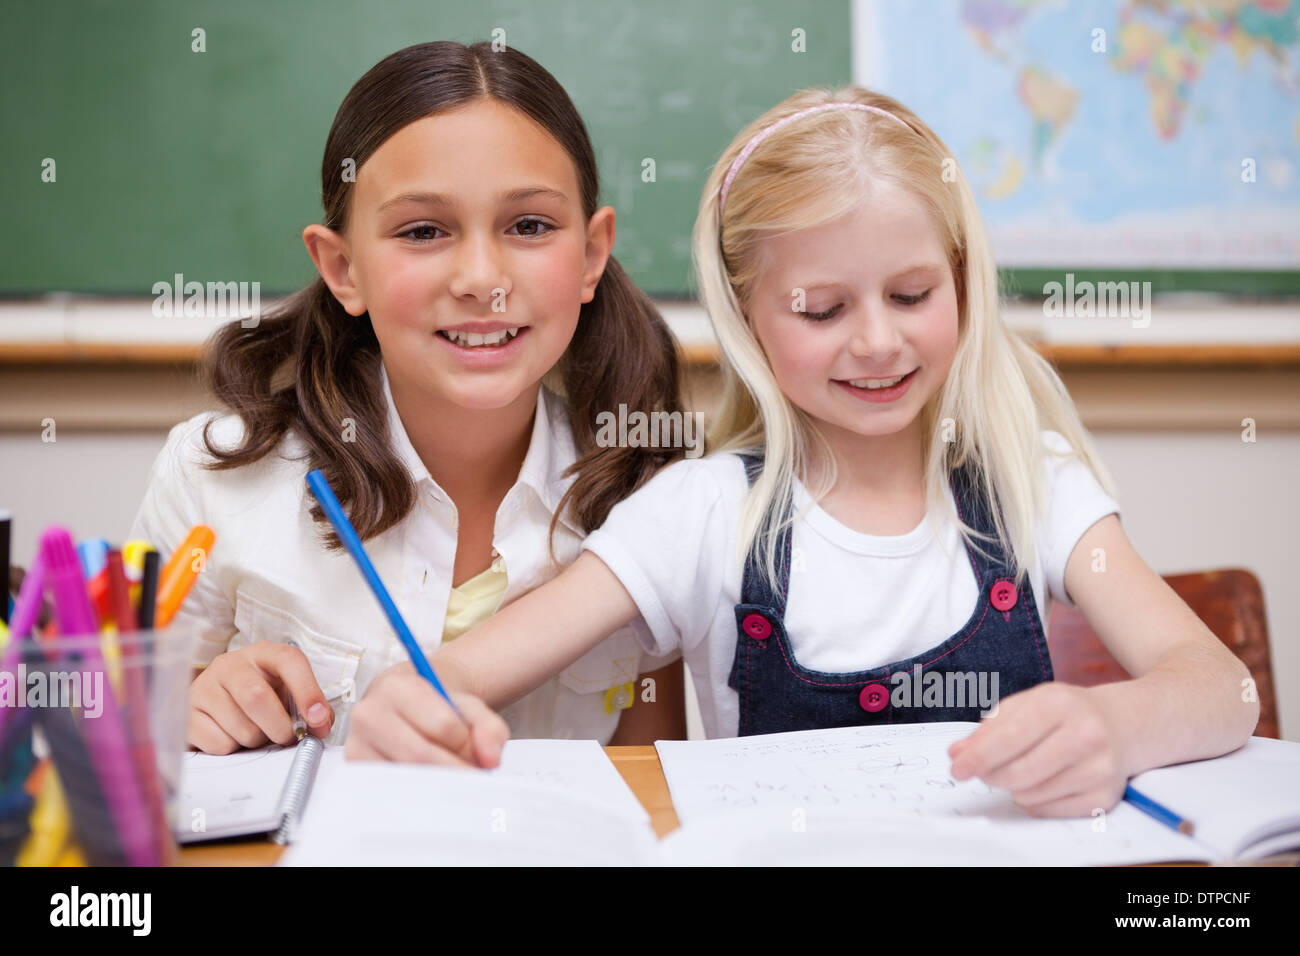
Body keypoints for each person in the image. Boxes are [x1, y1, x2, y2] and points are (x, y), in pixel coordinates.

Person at [350, 86, 1258, 818]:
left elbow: (1221, 688)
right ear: (750, 324)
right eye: (822, 311)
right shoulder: (700, 512)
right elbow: (456, 678)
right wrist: (413, 703)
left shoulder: (1035, 485)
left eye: (912, 295)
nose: (876, 343)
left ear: (963, 283)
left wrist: (1113, 725)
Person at [130, 41, 688, 756]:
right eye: (423, 231)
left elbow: (646, 800)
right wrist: (189, 703)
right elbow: (117, 750)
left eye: (529, 226)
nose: (482, 278)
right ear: (342, 267)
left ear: (590, 254)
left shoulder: (648, 496)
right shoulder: (215, 478)